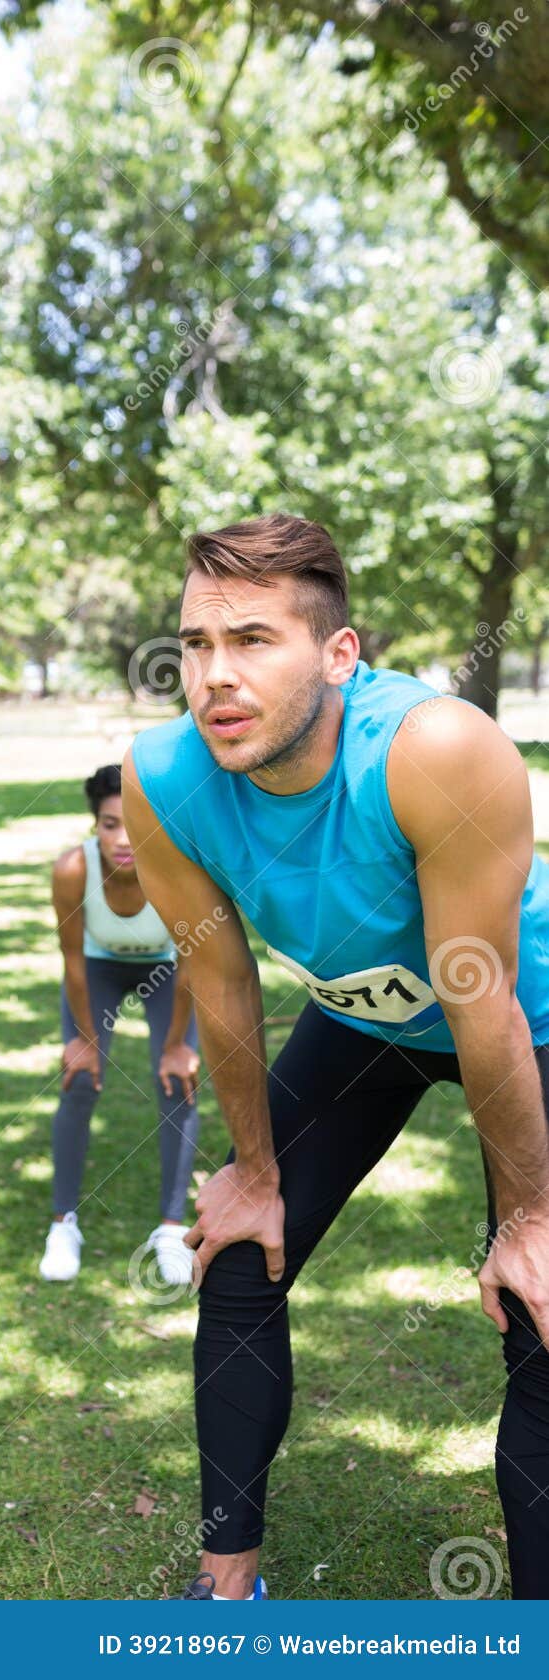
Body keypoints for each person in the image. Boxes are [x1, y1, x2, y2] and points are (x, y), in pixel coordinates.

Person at [124, 512, 549, 1601]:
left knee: (542, 1313)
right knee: (238, 1256)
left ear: (337, 654)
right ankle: (227, 1600)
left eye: (253, 640)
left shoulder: (434, 749)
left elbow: (479, 1001)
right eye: (195, 645)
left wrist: (525, 1222)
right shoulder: (163, 779)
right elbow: (220, 982)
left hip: (517, 1015)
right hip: (365, 1019)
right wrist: (253, 1172)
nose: (214, 676)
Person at [39, 764, 200, 1284]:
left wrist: (176, 1044)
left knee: (178, 1080)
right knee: (79, 1080)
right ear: (95, 825)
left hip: (167, 968)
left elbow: (193, 963)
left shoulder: (177, 868)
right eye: (110, 824)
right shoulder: (72, 871)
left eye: (135, 823)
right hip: (98, 969)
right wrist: (84, 1041)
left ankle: (172, 1229)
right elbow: (72, 964)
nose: (124, 838)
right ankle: (63, 1223)